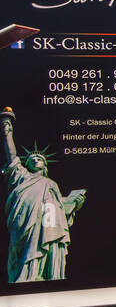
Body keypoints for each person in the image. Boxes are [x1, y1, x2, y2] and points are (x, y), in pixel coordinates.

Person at [1, 106, 86, 283]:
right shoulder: (21, 176)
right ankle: (27, 276)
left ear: (45, 165)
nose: (36, 160)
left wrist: (74, 202)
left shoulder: (50, 184)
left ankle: (48, 275)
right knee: (26, 251)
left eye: (40, 159)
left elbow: (60, 207)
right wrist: (7, 132)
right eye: (32, 159)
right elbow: (11, 156)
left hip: (49, 222)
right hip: (26, 221)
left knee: (50, 244)